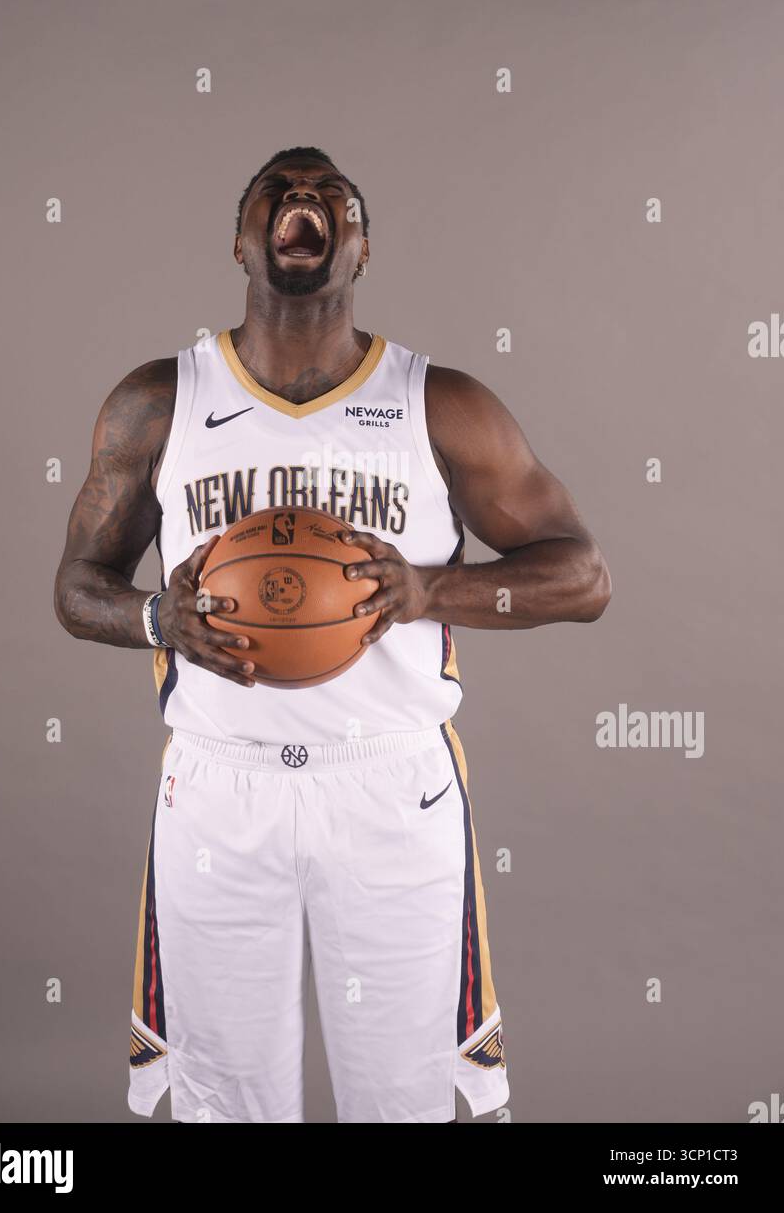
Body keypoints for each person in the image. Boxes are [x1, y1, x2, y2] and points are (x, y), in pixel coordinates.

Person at [54, 146, 611, 1124]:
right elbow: (75, 586)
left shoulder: (438, 402)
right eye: (278, 186)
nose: (305, 196)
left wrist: (425, 589)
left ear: (361, 247)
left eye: (332, 194)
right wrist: (157, 617)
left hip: (391, 785)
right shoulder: (158, 400)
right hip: (219, 787)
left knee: (407, 1104)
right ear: (239, 238)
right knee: (220, 1105)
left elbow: (583, 577)